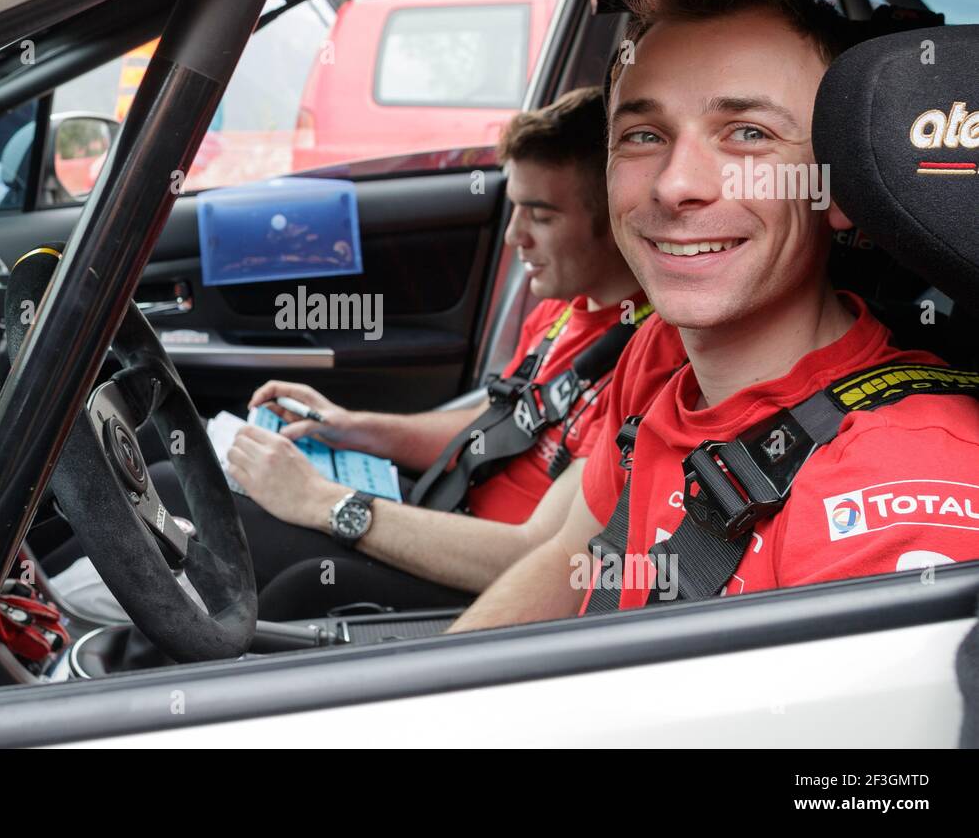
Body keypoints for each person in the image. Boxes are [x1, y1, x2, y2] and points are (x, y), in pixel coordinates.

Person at [448, 0, 979, 633]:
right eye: (644, 136)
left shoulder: (894, 477)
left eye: (748, 133)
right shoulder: (657, 352)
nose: (675, 186)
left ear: (839, 191)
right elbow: (568, 559)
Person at [225, 88, 686, 618]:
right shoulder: (564, 312)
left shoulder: (653, 361)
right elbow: (497, 427)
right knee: (205, 487)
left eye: (540, 215)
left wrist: (320, 500)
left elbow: (539, 553)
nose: (514, 235)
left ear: (618, 220)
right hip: (443, 512)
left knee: (277, 566)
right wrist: (351, 426)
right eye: (516, 208)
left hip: (488, 579)